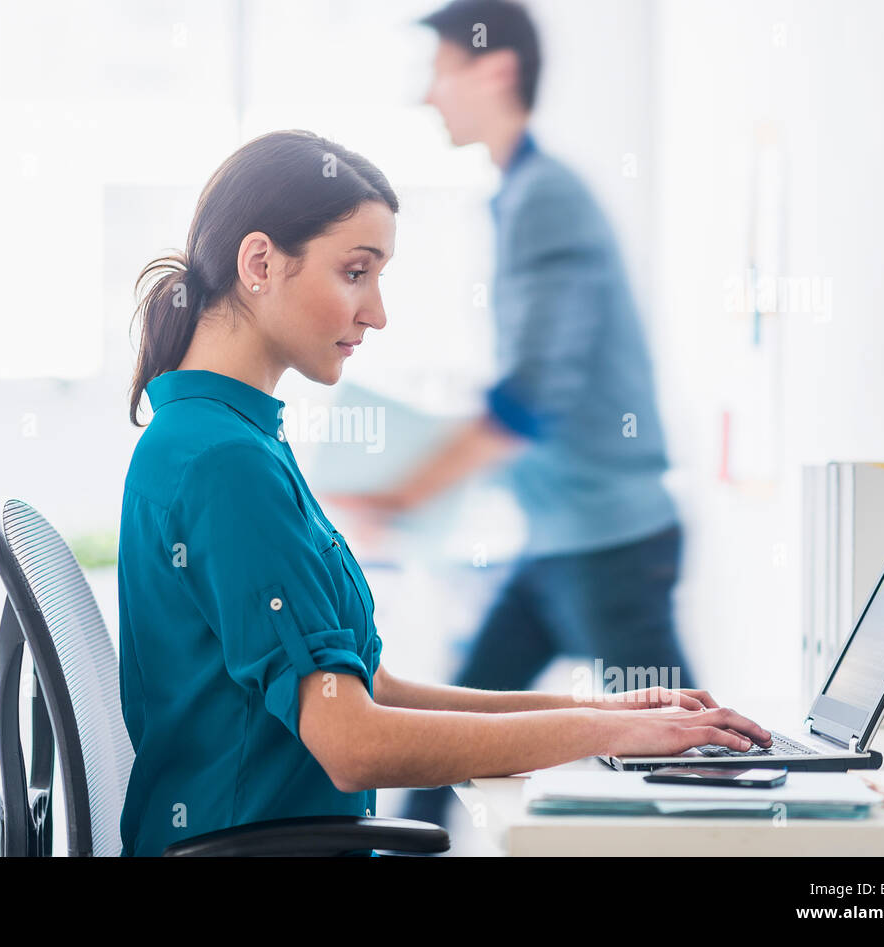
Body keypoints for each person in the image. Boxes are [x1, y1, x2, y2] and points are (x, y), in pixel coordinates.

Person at [117, 128, 770, 857]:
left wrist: (600, 710)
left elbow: (377, 690)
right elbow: (353, 743)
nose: (377, 312)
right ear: (261, 262)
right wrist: (608, 732)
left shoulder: (230, 440)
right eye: (356, 271)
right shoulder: (223, 462)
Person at [325, 0, 699, 831]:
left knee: (684, 754)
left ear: (493, 70)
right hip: (559, 539)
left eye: (441, 73)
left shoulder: (545, 198)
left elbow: (528, 400)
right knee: (444, 739)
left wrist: (402, 496)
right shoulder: (518, 196)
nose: (430, 98)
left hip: (608, 540)